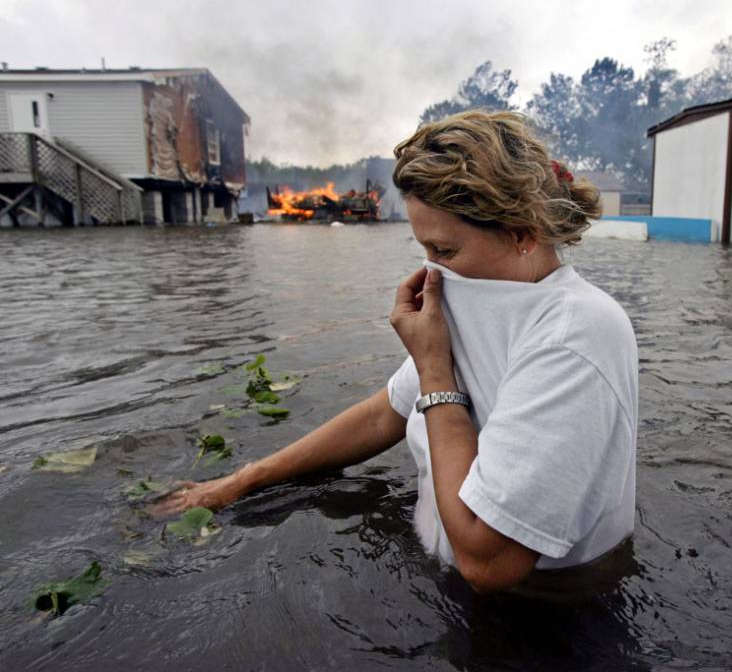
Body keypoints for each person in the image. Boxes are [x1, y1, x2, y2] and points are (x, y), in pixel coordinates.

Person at [155, 110, 639, 594]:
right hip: (433, 567)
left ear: (521, 232)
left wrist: (433, 368)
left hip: (537, 616)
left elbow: (488, 560)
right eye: (424, 250)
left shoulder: (575, 338)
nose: (430, 272)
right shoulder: (480, 296)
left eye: (445, 251)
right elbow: (382, 415)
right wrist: (242, 482)